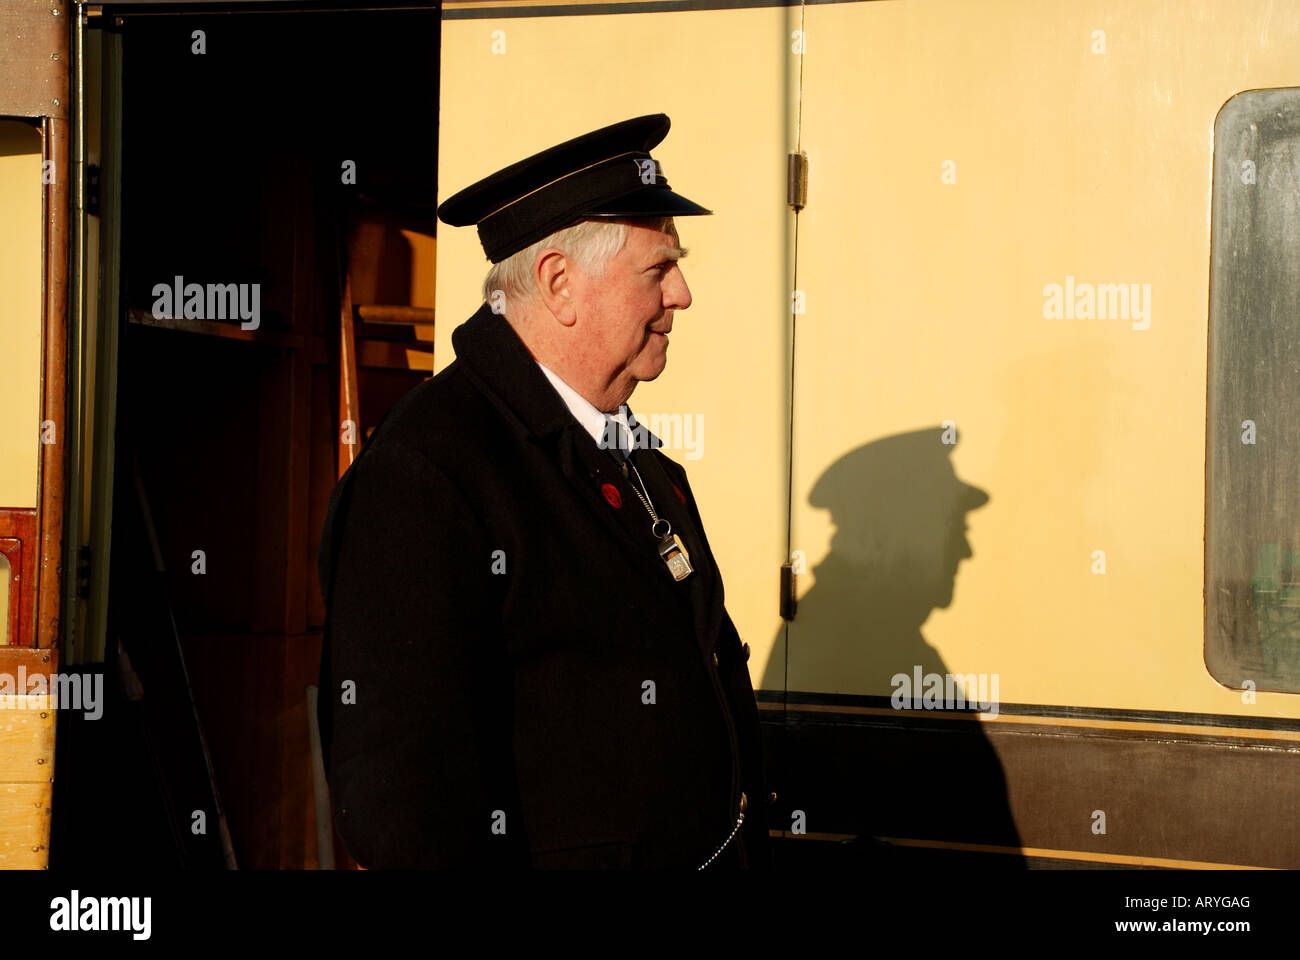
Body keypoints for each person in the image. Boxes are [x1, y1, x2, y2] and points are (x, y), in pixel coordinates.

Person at [316, 114, 770, 869]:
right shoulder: (428, 473)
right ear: (560, 283)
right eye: (658, 269)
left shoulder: (630, 452)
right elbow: (400, 813)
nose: (683, 294)